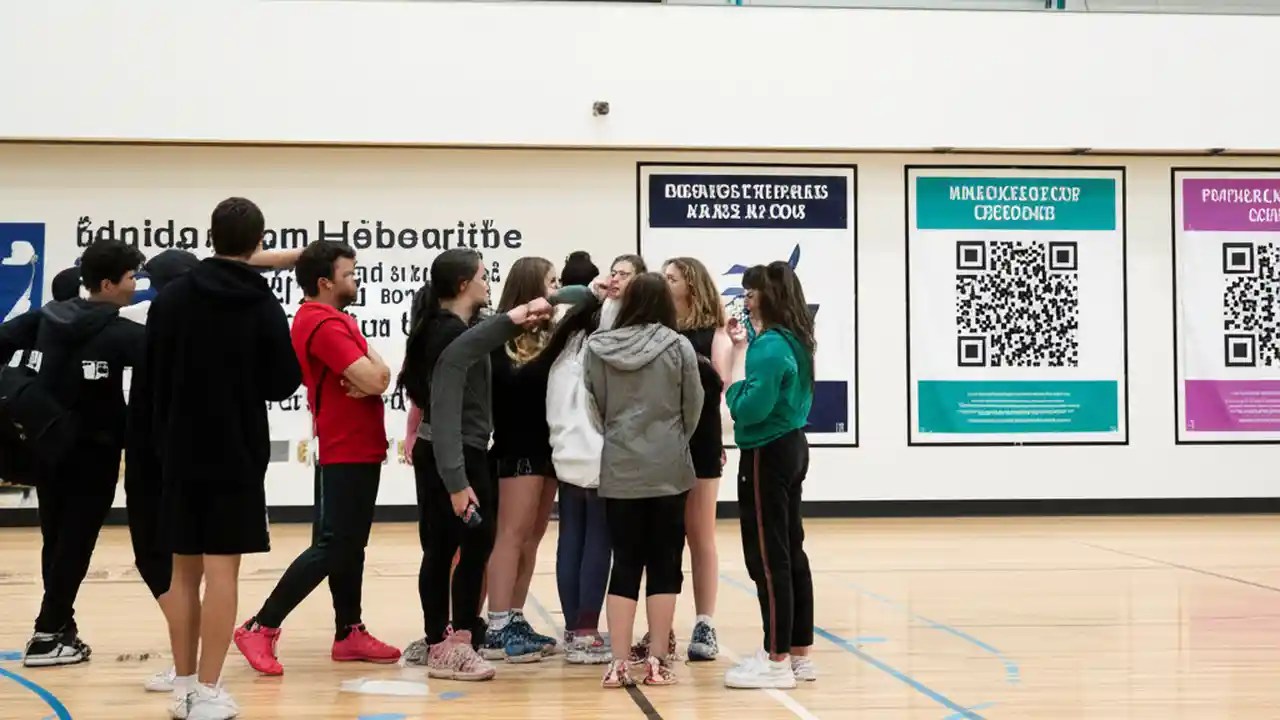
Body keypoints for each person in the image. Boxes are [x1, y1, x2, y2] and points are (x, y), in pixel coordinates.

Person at [146, 197, 301, 719]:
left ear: (209, 235)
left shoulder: (171, 300)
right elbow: (282, 383)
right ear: (260, 241)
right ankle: (209, 690)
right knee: (223, 571)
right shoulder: (260, 304)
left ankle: (185, 684)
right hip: (235, 449)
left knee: (183, 572)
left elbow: (151, 379)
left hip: (178, 449)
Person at [234, 240, 401, 676]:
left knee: (350, 546)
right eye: (349, 273)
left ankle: (349, 631)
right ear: (325, 282)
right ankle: (260, 625)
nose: (356, 279)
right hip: (343, 447)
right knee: (334, 546)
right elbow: (377, 377)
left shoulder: (338, 319)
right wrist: (373, 369)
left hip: (358, 446)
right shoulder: (323, 324)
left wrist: (373, 369)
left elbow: (378, 375)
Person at [395, 249, 552, 681]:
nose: (489, 283)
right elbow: (444, 414)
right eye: (483, 276)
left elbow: (496, 333)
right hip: (453, 454)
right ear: (464, 285)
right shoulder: (447, 335)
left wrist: (559, 303)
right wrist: (457, 482)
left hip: (462, 451)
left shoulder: (460, 326)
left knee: (456, 547)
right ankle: (452, 641)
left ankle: (444, 638)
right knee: (461, 545)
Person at [0, 239, 146, 667]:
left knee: (58, 540)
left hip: (47, 449)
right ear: (108, 283)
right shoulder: (121, 333)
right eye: (132, 277)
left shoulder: (46, 319)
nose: (136, 285)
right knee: (75, 545)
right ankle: (47, 634)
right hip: (94, 455)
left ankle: (61, 628)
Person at [584, 272, 704, 688]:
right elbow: (693, 407)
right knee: (665, 563)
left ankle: (618, 663)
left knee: (625, 562)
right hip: (669, 469)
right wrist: (668, 441)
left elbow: (595, 406)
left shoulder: (598, 348)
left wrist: (621, 437)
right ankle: (656, 660)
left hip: (619, 467)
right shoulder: (678, 346)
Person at [481, 257, 595, 663]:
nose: (557, 287)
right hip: (517, 447)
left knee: (532, 538)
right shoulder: (500, 335)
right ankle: (495, 625)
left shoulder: (553, 332)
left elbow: (583, 297)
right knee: (510, 536)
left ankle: (513, 615)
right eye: (550, 281)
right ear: (531, 285)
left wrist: (552, 302)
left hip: (550, 450)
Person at [722, 262, 817, 690]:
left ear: (768, 296)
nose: (746, 298)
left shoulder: (769, 347)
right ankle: (797, 653)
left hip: (767, 452)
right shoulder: (795, 341)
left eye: (752, 292)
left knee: (767, 555)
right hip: (794, 445)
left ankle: (776, 659)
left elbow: (751, 406)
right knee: (791, 548)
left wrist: (732, 389)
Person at [661, 257, 731, 662]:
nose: (666, 283)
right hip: (663, 445)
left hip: (701, 442)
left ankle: (705, 623)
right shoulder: (659, 331)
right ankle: (662, 628)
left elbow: (721, 392)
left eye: (672, 278)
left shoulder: (713, 335)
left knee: (700, 535)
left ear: (691, 284)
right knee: (665, 538)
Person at [545, 253, 612, 664]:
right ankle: (587, 631)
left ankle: (574, 628)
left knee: (570, 537)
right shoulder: (601, 346)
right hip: (596, 454)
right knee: (597, 541)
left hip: (564, 452)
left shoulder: (560, 346)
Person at [599, 254, 645, 331]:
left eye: (623, 275)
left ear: (639, 279)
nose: (614, 279)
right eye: (613, 274)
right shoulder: (608, 303)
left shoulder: (644, 310)